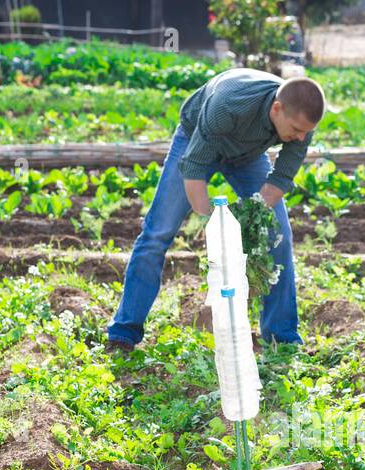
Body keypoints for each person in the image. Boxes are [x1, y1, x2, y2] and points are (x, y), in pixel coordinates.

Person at [106, 69, 325, 352]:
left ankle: (281, 337)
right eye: (295, 130)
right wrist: (212, 221)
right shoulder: (229, 103)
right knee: (157, 232)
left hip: (247, 155)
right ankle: (124, 331)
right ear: (277, 108)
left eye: (305, 132)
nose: (300, 138)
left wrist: (251, 219)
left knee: (277, 234)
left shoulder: (302, 122)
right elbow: (194, 167)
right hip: (196, 140)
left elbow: (280, 179)